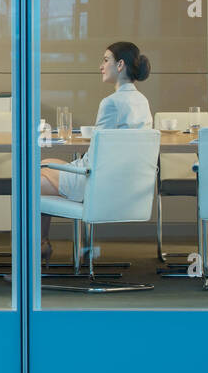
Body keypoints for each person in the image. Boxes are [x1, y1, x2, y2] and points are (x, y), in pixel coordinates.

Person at [39, 41, 152, 259]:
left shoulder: (111, 103)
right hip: (123, 182)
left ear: (120, 65)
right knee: (46, 163)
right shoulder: (142, 101)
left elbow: (98, 157)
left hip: (95, 182)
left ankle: (37, 250)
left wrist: (78, 166)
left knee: (30, 181)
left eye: (106, 60)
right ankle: (41, 244)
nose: (101, 65)